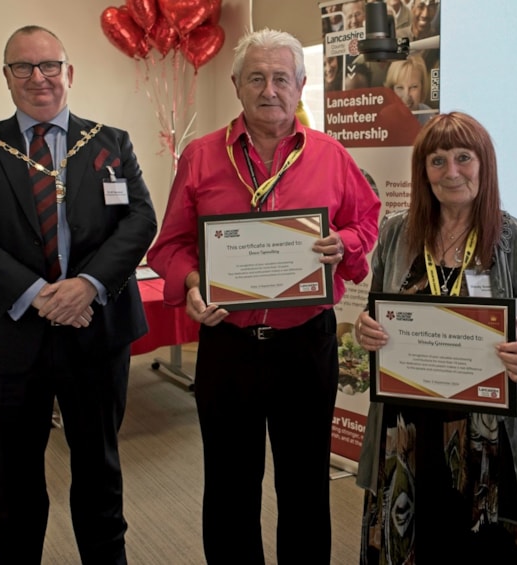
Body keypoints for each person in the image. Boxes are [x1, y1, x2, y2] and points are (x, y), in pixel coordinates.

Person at [146, 28, 380, 564]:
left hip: (305, 346)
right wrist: (191, 283)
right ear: (236, 85)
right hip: (228, 345)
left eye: (280, 78)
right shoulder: (201, 157)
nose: (268, 89)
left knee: (304, 488)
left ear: (300, 85)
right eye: (256, 78)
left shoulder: (331, 156)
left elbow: (367, 219)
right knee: (229, 489)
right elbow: (171, 245)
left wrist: (342, 242)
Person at [0, 25, 157, 564]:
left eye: (49, 65)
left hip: (96, 334)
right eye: (23, 67)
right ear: (6, 78)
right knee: (14, 491)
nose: (39, 77)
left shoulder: (110, 142)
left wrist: (87, 286)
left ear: (69, 73)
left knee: (101, 478)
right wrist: (37, 294)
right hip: (5, 339)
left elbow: (140, 219)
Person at [355, 112, 517, 564]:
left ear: (484, 163)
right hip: (407, 428)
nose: (451, 172)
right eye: (438, 160)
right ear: (423, 171)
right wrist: (365, 328)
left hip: (488, 435)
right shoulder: (395, 232)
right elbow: (375, 312)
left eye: (464, 157)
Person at [384, 54, 435, 125]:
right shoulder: (385, 118)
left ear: (422, 88)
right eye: (400, 88)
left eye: (413, 87)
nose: (406, 96)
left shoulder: (428, 116)